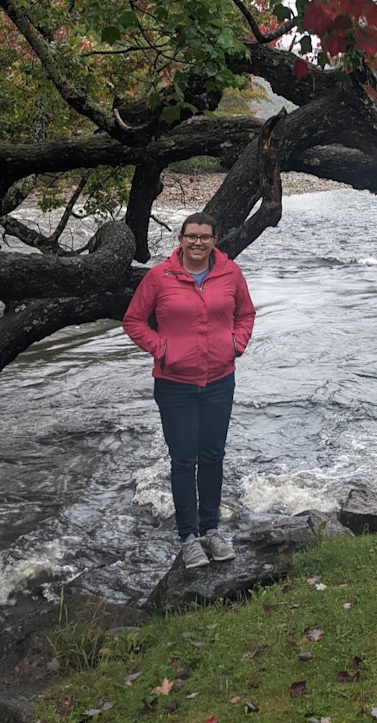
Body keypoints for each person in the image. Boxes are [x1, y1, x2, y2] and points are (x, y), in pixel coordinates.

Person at [123, 212, 256, 570]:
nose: (198, 242)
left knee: (213, 456)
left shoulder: (230, 274)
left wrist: (235, 344)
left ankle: (211, 529)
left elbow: (246, 314)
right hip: (175, 385)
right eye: (191, 236)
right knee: (183, 460)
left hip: (219, 380)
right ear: (180, 239)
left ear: (214, 240)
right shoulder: (159, 277)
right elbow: (133, 321)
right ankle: (188, 537)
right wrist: (162, 349)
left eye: (205, 237)